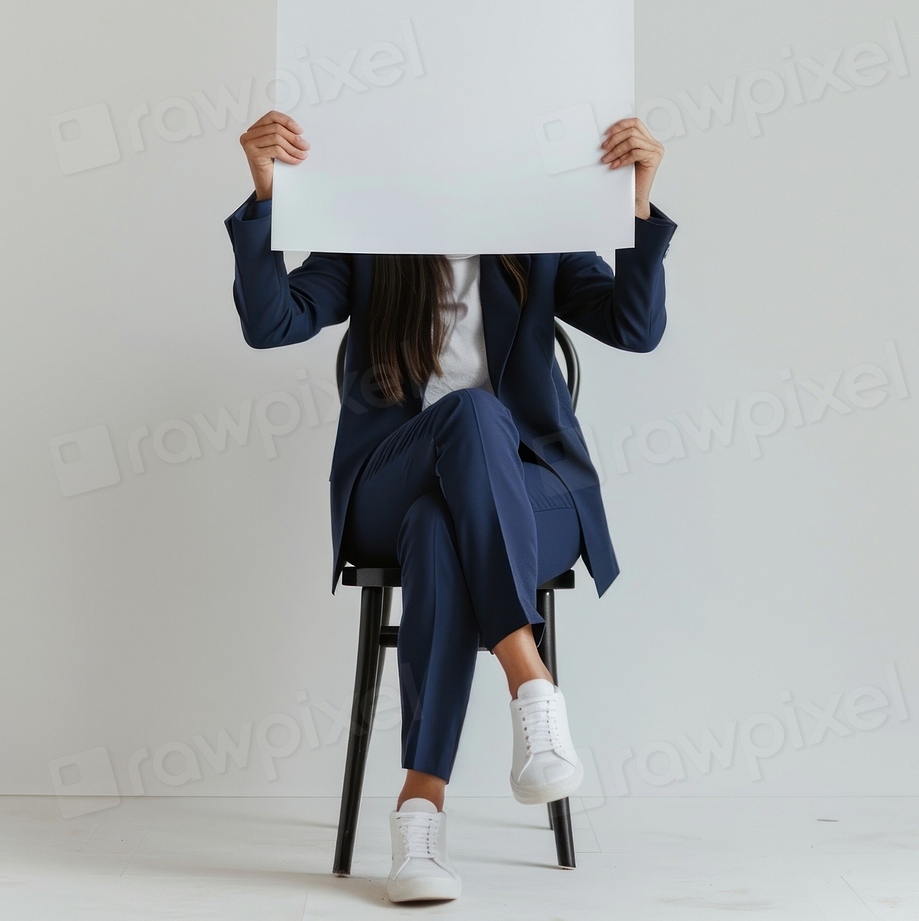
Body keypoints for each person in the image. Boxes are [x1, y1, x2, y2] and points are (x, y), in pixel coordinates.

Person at [224, 109, 677, 903]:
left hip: (533, 498)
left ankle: (418, 814)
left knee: (440, 525)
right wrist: (264, 196)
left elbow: (635, 329)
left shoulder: (541, 240)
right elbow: (272, 325)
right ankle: (527, 678)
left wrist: (635, 204)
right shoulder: (366, 242)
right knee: (467, 420)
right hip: (386, 484)